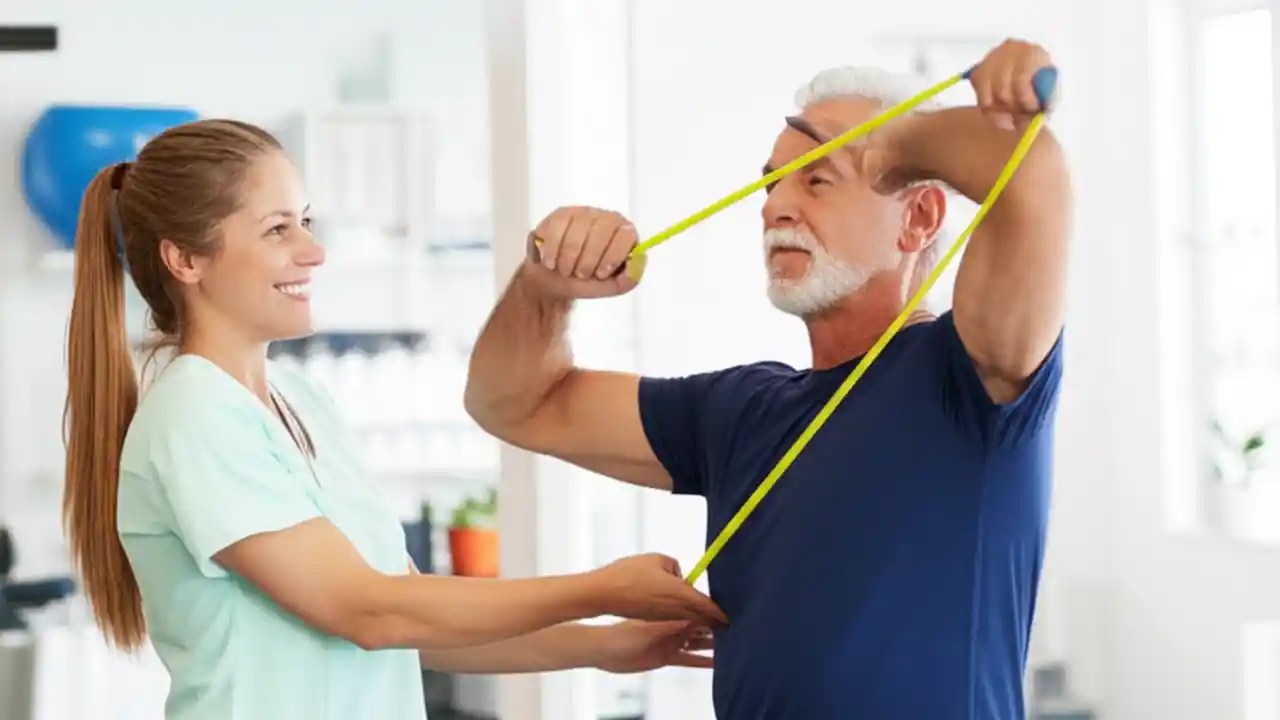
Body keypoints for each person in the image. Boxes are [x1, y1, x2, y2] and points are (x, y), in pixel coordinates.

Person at [464, 38, 1071, 719]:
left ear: (921, 216)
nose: (774, 205)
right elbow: (514, 403)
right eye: (772, 180)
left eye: (815, 177)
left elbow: (1029, 175)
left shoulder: (968, 379)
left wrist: (903, 139)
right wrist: (543, 290)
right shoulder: (741, 410)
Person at [61, 119, 726, 720]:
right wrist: (600, 589)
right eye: (277, 229)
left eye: (307, 222)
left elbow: (412, 614)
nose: (313, 251)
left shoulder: (302, 403)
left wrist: (607, 645)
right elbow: (370, 613)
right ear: (185, 260)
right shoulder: (193, 417)